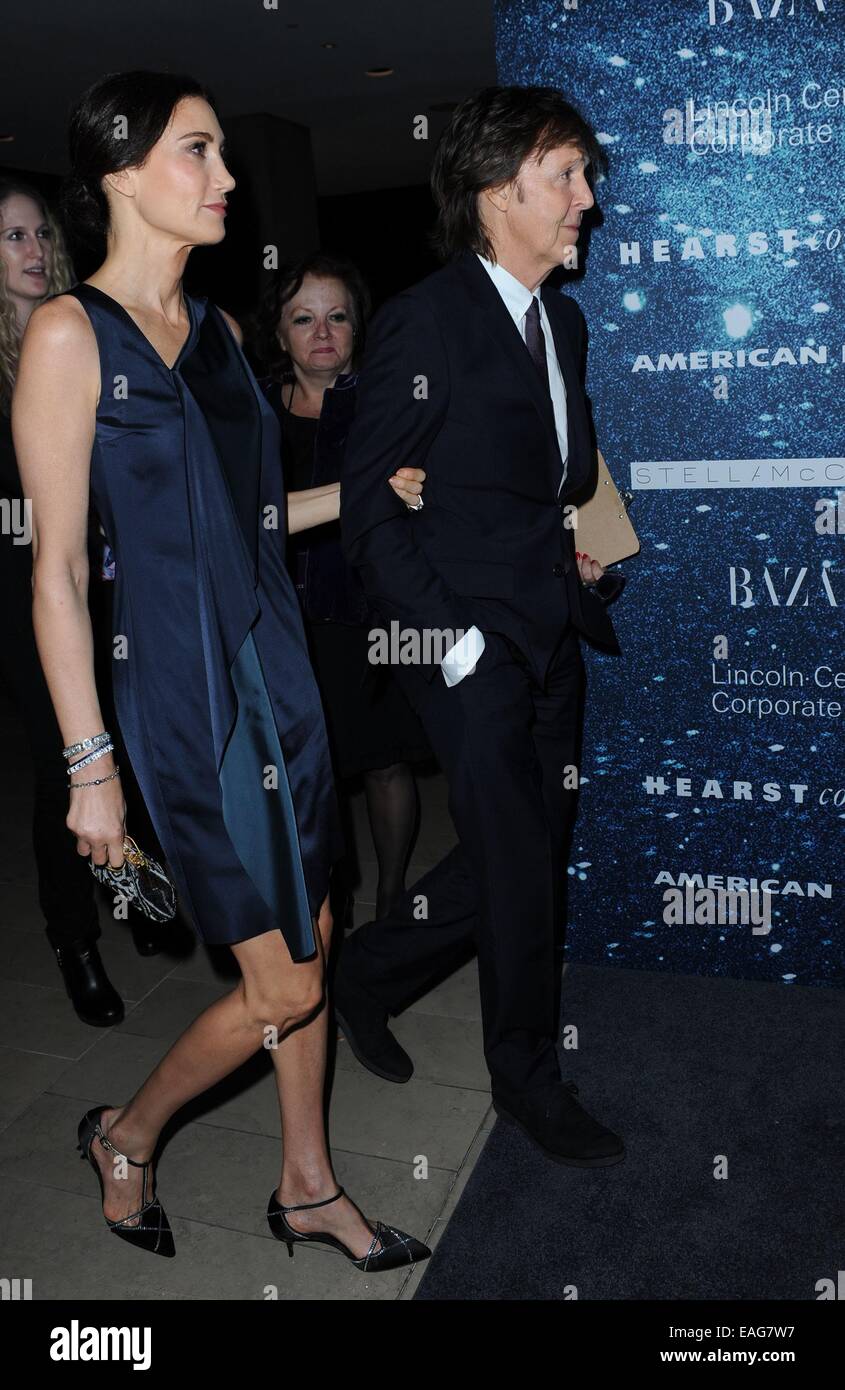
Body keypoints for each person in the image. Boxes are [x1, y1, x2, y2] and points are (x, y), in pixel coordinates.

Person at [12, 68, 430, 1270]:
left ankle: (306, 1185)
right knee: (283, 985)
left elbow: (251, 520)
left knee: (315, 924)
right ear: (120, 173)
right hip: (186, 693)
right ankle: (127, 1133)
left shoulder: (217, 334)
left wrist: (362, 493)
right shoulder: (66, 333)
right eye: (199, 152)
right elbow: (57, 577)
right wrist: (91, 766)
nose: (227, 177)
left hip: (276, 669)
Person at [334, 85, 626, 1167]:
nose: (585, 201)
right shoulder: (425, 318)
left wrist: (563, 557)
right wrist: (458, 649)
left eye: (584, 179)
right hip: (463, 647)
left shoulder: (563, 319)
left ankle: (362, 975)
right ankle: (528, 1084)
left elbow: (547, 480)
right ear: (497, 192)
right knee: (516, 868)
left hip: (550, 629)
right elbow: (370, 517)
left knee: (526, 852)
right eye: (566, 177)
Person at [253, 254, 432, 929]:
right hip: (283, 619)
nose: (321, 332)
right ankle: (322, 902)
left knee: (385, 764)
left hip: (371, 612)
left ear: (358, 330)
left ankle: (390, 902)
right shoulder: (255, 412)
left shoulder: (385, 401)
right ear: (279, 333)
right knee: (305, 768)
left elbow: (421, 501)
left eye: (337, 317)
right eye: (303, 318)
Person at [0, 177, 129, 1024]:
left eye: (41, 233)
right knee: (65, 764)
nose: (35, 252)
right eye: (13, 237)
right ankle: (73, 937)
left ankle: (131, 893)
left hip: (105, 579)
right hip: (22, 593)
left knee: (125, 744)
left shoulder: (78, 336)